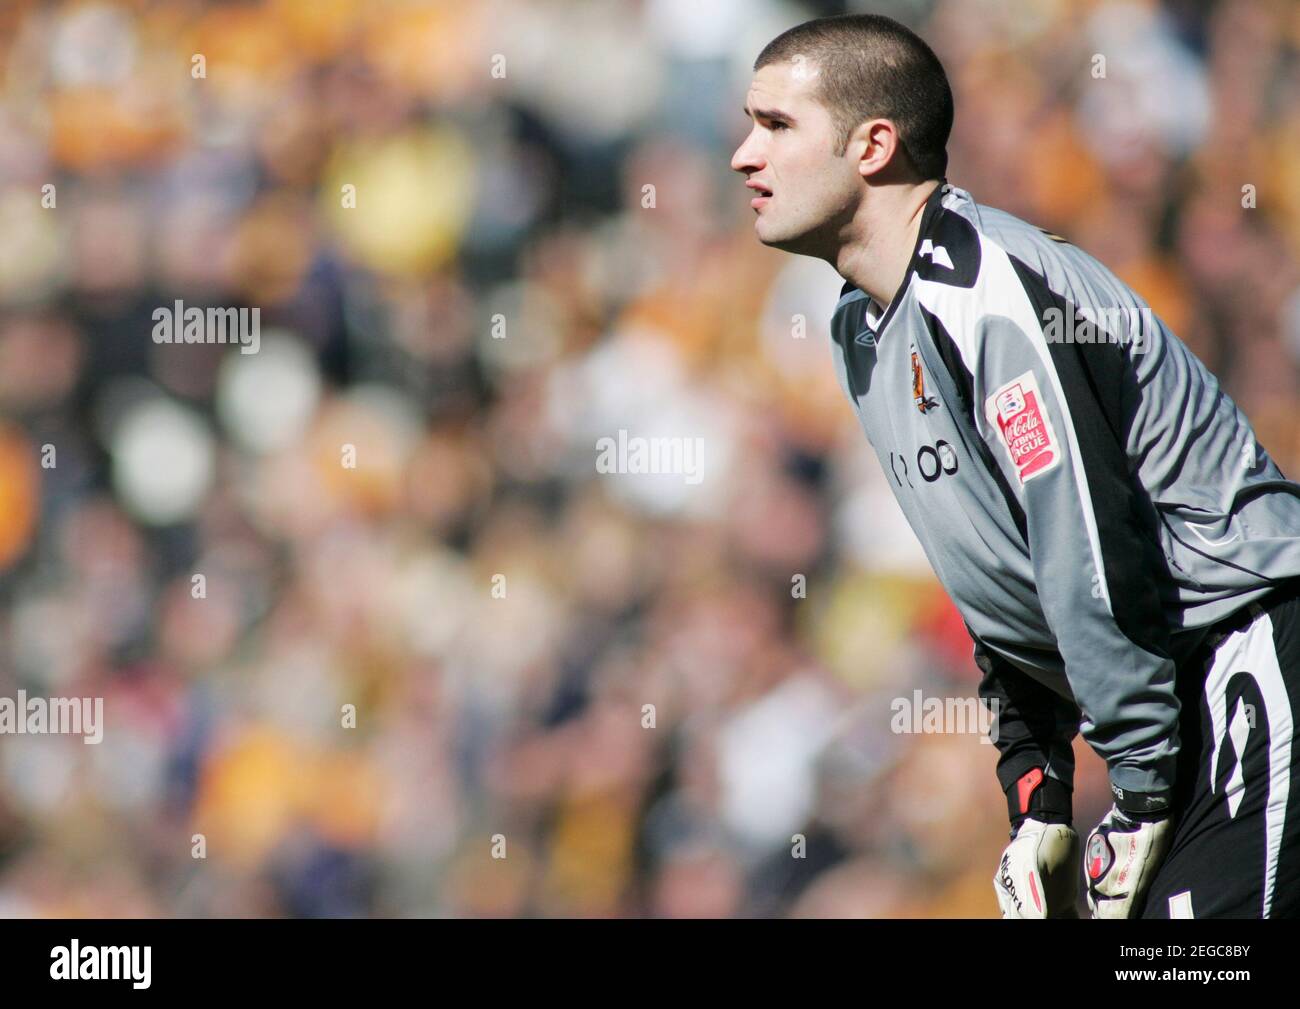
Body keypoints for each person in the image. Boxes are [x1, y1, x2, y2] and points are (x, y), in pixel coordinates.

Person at [731, 12, 1300, 918]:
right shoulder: (859, 324)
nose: (742, 156)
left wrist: (1141, 788)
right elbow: (997, 565)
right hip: (1163, 699)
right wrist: (1035, 786)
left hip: (1246, 649)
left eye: (776, 126)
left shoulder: (985, 290)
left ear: (873, 144)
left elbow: (1086, 537)